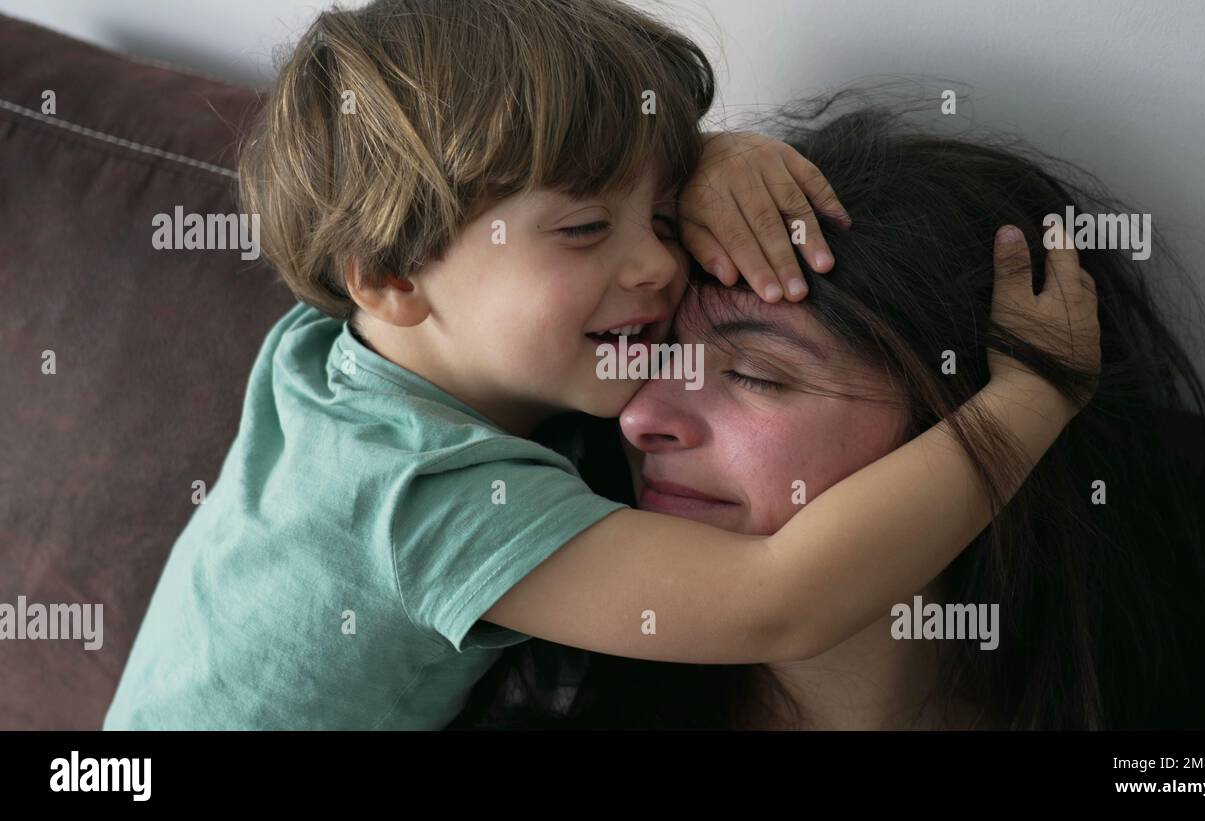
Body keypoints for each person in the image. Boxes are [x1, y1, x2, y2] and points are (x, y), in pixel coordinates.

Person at [103, 2, 1094, 731]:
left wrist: (705, 155)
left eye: (661, 215)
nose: (658, 263)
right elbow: (778, 597)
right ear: (392, 279)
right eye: (586, 226)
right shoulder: (429, 496)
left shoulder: (341, 353)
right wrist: (1029, 399)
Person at [450, 93, 1205, 731]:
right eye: (650, 351)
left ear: (958, 413)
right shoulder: (545, 678)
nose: (638, 418)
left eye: (755, 374)